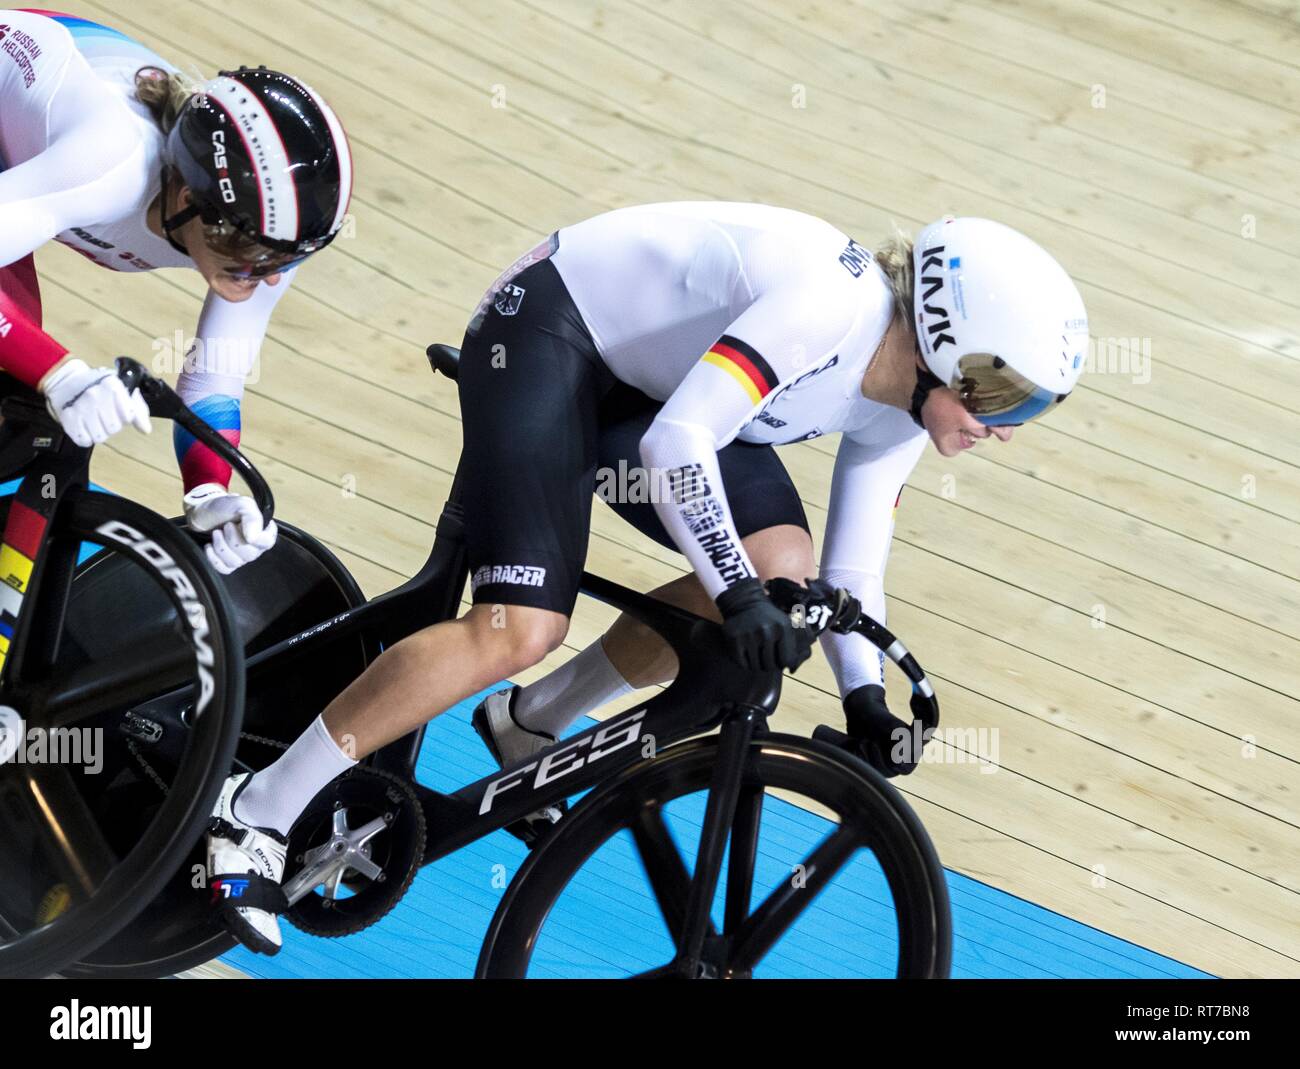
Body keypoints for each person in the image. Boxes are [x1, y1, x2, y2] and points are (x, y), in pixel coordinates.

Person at [206, 202, 1089, 956]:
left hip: (652, 383)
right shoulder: (832, 307)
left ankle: (530, 721)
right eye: (1004, 401)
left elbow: (850, 569)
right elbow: (677, 448)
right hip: (551, 334)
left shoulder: (901, 403)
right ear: (945, 343)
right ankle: (255, 810)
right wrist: (736, 594)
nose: (1005, 431)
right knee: (520, 625)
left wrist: (864, 699)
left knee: (787, 576)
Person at [0, 9, 351, 573]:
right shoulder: (110, 164)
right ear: (186, 194)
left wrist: (207, 492)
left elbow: (215, 375)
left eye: (288, 260)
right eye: (250, 254)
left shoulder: (271, 234)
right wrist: (58, 373)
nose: (267, 277)